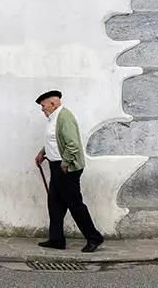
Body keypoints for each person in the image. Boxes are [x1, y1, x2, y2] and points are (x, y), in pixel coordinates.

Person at [34, 90, 104, 253]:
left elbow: (72, 144)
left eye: (43, 106)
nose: (42, 109)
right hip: (56, 166)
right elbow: (55, 140)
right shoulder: (54, 118)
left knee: (75, 204)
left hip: (66, 169)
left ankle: (94, 238)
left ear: (53, 104)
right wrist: (42, 153)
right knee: (55, 204)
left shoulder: (64, 117)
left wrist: (65, 164)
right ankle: (56, 239)